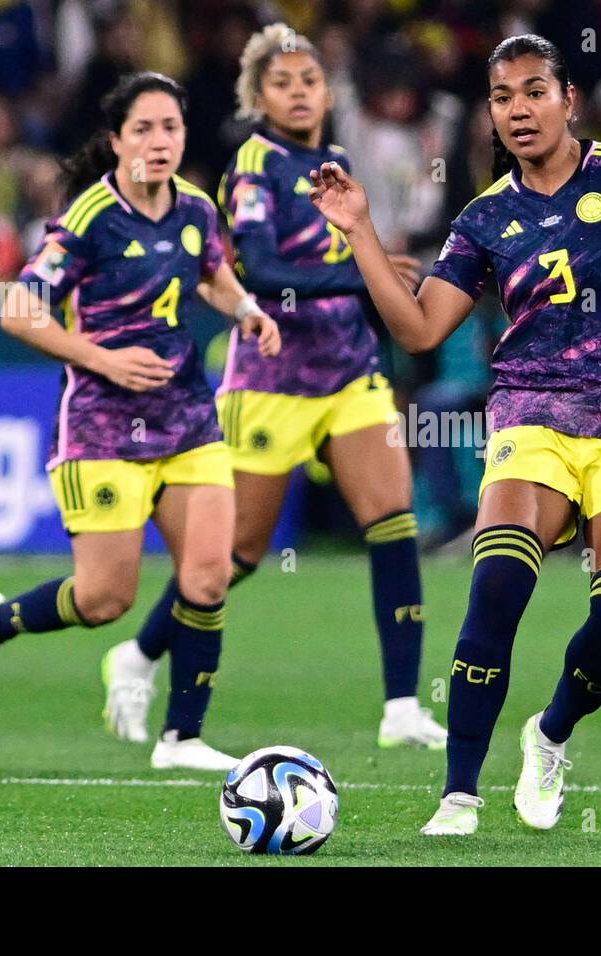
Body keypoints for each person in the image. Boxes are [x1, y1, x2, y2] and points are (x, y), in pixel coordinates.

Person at [308, 34, 601, 836]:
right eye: (501, 97)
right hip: (533, 415)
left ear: (568, 100)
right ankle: (457, 795)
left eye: (533, 92)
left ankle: (550, 732)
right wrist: (358, 233)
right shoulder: (486, 216)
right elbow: (420, 330)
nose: (517, 110)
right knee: (499, 584)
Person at [0, 72, 280, 772]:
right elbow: (18, 311)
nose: (160, 142)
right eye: (145, 129)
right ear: (118, 140)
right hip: (101, 426)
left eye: (172, 128)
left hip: (187, 416)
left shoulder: (194, 208)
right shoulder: (90, 219)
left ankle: (181, 737)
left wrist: (245, 309)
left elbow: (210, 270)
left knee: (209, 576)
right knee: (103, 600)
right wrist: (105, 360)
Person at [131, 24, 446, 750]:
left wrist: (373, 271)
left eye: (309, 80)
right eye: (283, 83)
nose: (300, 93)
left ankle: (402, 704)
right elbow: (263, 271)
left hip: (350, 370)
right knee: (235, 555)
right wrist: (365, 275)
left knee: (393, 520)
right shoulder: (254, 162)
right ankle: (142, 652)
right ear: (258, 96)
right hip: (271, 378)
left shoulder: (335, 161)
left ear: (327, 90)